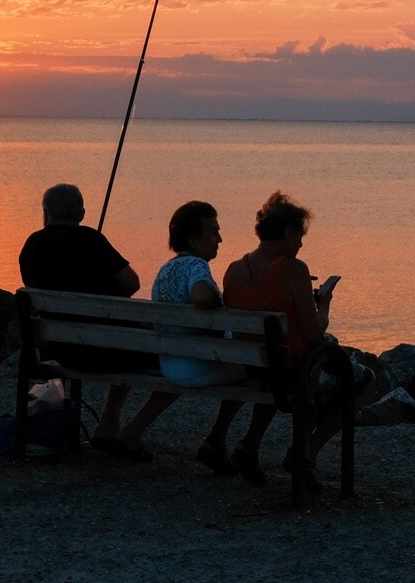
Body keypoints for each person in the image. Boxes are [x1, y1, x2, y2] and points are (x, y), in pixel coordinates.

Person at [215, 191, 371, 490]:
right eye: (300, 236)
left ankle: (249, 445)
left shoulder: (234, 270)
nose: (300, 244)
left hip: (257, 369)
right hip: (291, 373)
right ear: (287, 232)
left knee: (282, 362)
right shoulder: (293, 269)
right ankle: (305, 452)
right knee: (363, 381)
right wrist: (323, 302)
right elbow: (315, 335)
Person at [17, 182, 175, 461]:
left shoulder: (31, 246)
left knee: (126, 340)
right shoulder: (91, 240)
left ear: (45, 213)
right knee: (173, 362)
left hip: (64, 351)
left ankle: (107, 425)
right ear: (81, 213)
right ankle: (130, 434)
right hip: (106, 350)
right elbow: (132, 283)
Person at [151, 200, 246, 474]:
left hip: (169, 365)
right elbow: (202, 296)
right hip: (195, 367)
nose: (220, 238)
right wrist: (220, 297)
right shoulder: (196, 266)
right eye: (213, 232)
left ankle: (216, 441)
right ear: (193, 240)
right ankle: (217, 440)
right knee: (255, 368)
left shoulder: (165, 270)